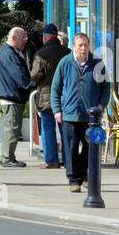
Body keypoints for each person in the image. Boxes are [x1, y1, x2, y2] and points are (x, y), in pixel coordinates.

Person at [50, 32, 109, 191]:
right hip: (70, 114)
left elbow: (105, 88)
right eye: (80, 45)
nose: (83, 48)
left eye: (86, 45)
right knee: (70, 149)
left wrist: (101, 106)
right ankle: (74, 180)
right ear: (74, 47)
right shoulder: (65, 63)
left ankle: (84, 175)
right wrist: (57, 110)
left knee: (90, 148)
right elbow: (55, 88)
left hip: (91, 116)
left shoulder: (97, 63)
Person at [0, 27, 37, 168]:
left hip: (13, 96)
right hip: (11, 97)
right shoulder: (8, 53)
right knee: (12, 128)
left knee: (13, 128)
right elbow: (18, 75)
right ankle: (7, 157)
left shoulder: (12, 52)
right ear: (13, 38)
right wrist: (31, 85)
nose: (25, 40)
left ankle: (8, 156)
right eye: (22, 38)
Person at [31, 23, 70, 169]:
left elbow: (35, 76)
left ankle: (52, 160)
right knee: (65, 129)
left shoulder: (41, 53)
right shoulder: (67, 52)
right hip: (64, 96)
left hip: (46, 96)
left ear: (45, 37)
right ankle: (68, 160)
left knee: (48, 128)